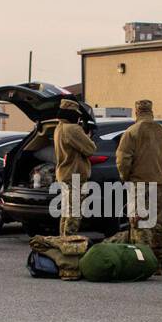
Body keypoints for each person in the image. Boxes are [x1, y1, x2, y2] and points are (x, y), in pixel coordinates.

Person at [116, 99, 162, 266]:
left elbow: (123, 160)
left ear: (136, 112)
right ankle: (158, 261)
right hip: (159, 186)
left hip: (139, 185)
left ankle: (143, 263)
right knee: (158, 224)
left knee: (141, 225)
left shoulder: (131, 132)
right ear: (151, 111)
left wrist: (126, 176)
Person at [52, 99, 95, 236]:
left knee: (66, 212)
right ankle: (69, 242)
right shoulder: (72, 129)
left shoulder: (59, 128)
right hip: (75, 175)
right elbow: (90, 149)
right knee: (74, 213)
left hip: (64, 174)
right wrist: (87, 137)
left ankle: (63, 240)